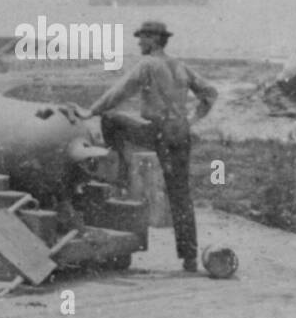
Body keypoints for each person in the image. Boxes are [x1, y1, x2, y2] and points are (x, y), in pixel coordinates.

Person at [81, 21, 217, 272]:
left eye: (142, 38)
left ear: (154, 39)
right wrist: (194, 119)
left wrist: (91, 110)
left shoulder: (147, 65)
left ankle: (121, 170)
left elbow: (119, 92)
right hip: (180, 133)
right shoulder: (180, 65)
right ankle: (189, 256)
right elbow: (210, 93)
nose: (139, 43)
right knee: (181, 194)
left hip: (158, 132)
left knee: (110, 119)